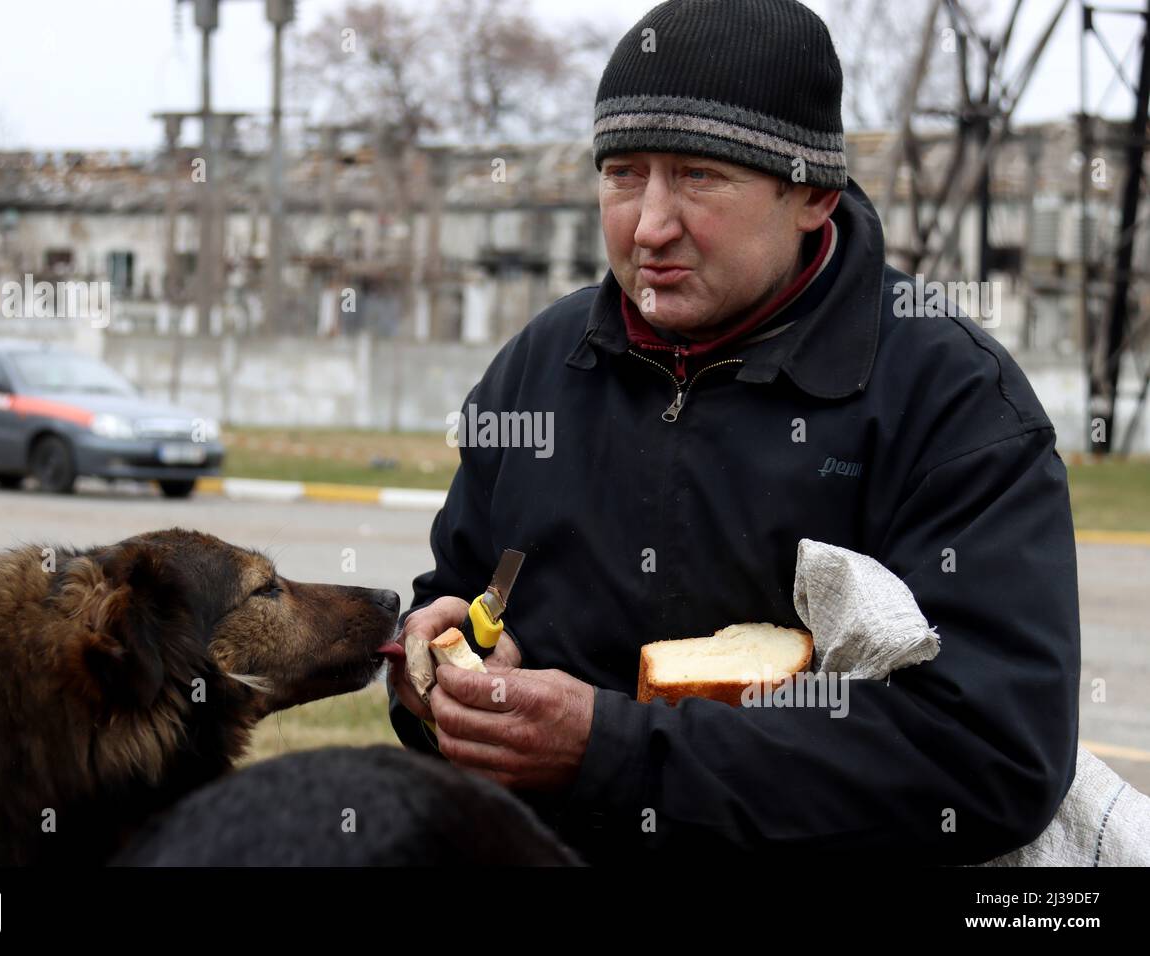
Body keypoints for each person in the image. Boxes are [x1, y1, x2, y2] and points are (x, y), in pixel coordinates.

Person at [386, 0, 1080, 864]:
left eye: (697, 175)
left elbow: (994, 758)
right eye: (624, 172)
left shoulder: (954, 402)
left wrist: (610, 751)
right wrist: (438, 676)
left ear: (813, 194)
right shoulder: (538, 370)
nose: (649, 225)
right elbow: (461, 594)